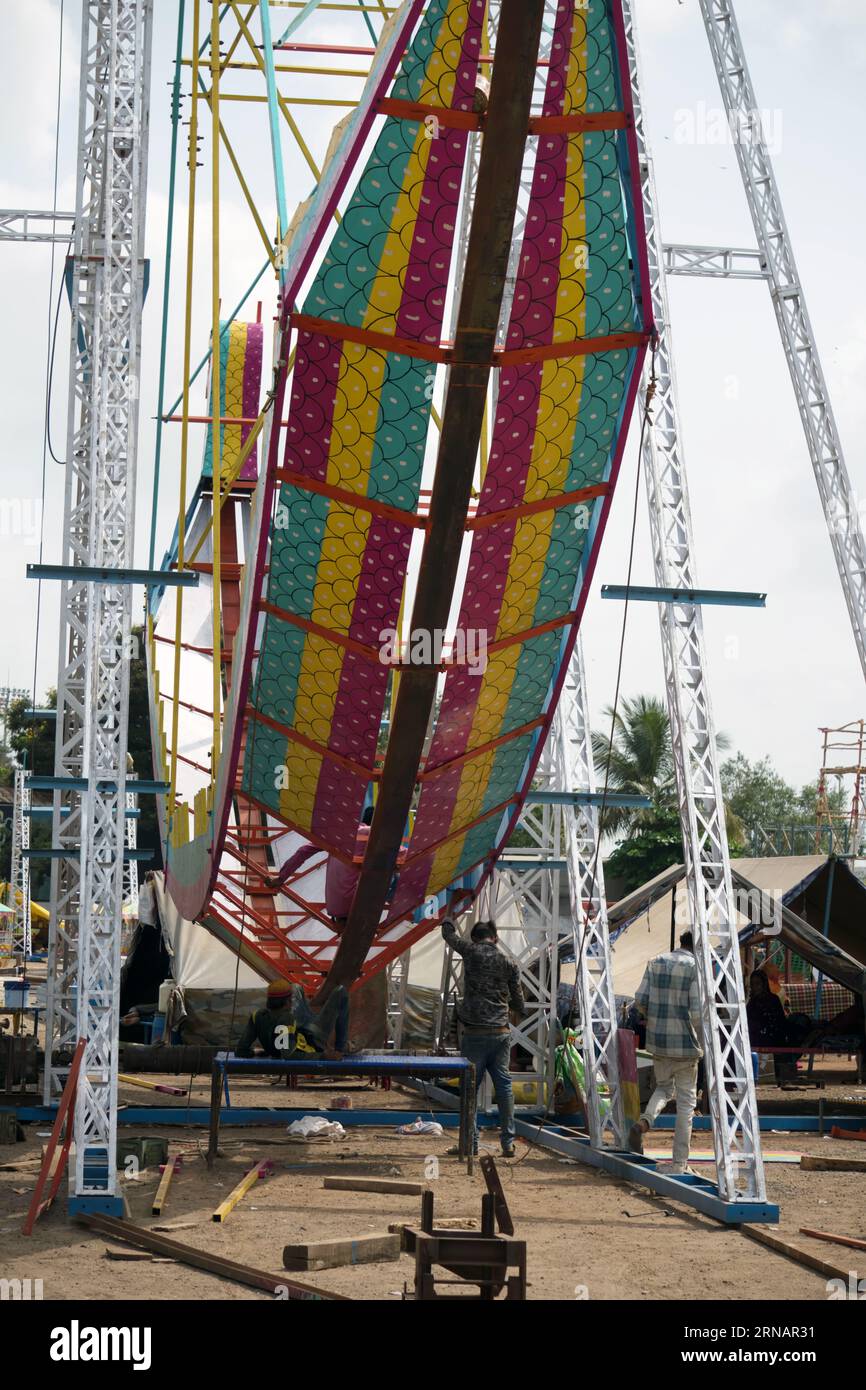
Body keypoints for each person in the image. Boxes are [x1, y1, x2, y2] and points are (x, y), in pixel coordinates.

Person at [441, 915, 527, 1158]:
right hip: (501, 1034)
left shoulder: (471, 951)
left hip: (475, 1034)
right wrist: (516, 1010)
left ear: (475, 939)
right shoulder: (509, 962)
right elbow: (518, 1000)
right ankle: (508, 1143)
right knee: (504, 1088)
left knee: (469, 1091)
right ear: (495, 938)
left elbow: (449, 936)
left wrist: (449, 915)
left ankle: (471, 1144)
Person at [628, 930, 702, 1175]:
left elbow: (639, 999)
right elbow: (696, 1013)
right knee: (686, 1105)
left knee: (662, 1088)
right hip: (685, 1047)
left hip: (658, 1044)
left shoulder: (655, 962)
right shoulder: (695, 968)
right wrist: (702, 1041)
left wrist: (654, 1019)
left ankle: (644, 1121)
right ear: (696, 946)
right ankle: (679, 1164)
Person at [235, 978, 351, 1060]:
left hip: (299, 1031)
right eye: (290, 1000)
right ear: (287, 1002)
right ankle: (340, 1049)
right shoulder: (286, 1019)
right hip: (313, 1039)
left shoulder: (257, 1015)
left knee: (296, 986)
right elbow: (289, 1055)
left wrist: (257, 1053)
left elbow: (240, 1051)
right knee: (341, 992)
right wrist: (324, 1056)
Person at [747, 969, 814, 1082]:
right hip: (757, 1039)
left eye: (758, 983)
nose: (755, 987)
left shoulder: (773, 1000)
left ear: (764, 984)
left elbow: (780, 1022)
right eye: (753, 984)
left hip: (774, 1038)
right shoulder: (752, 1003)